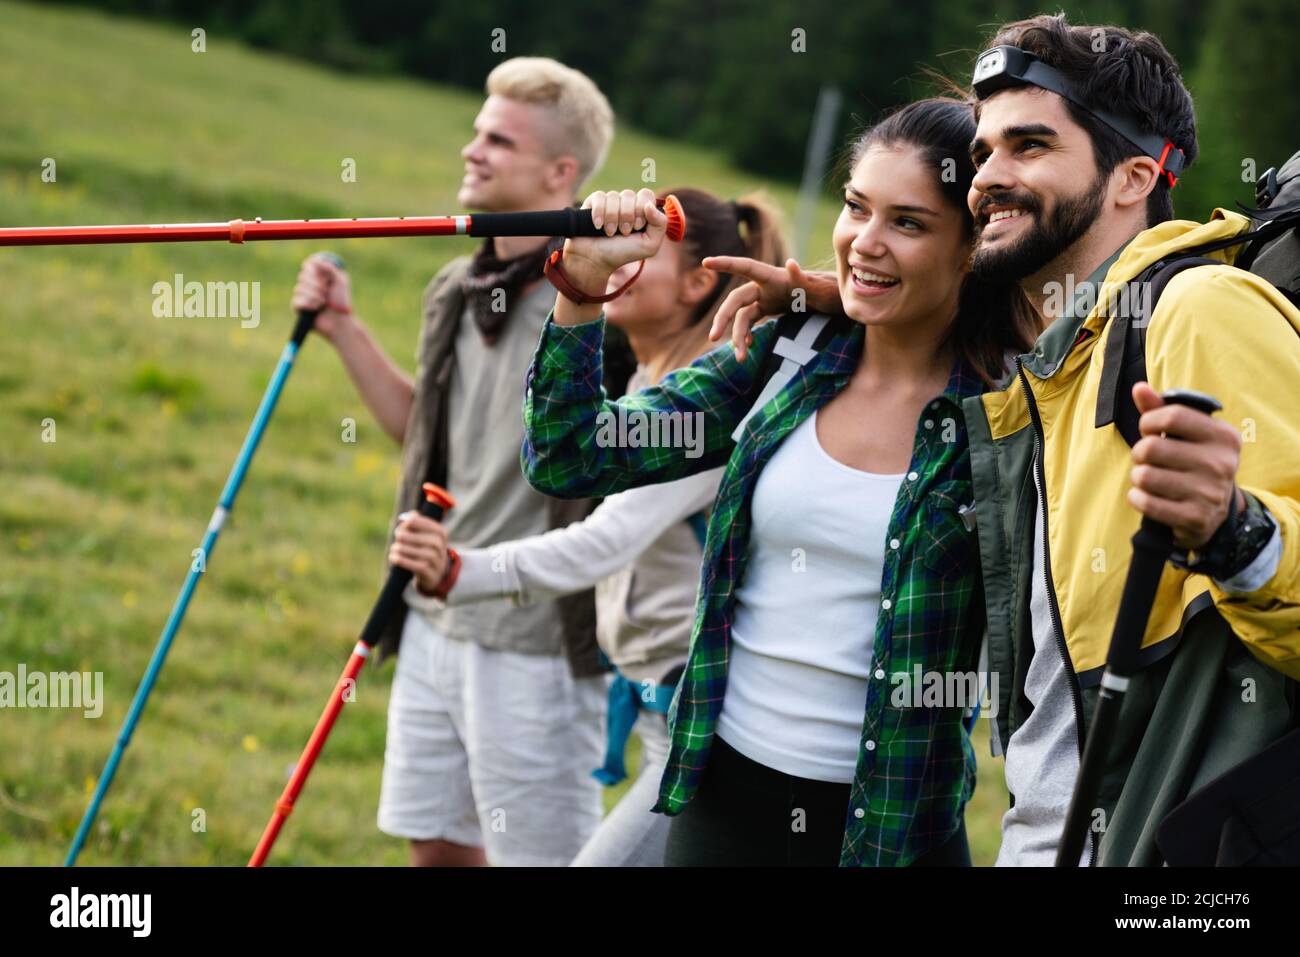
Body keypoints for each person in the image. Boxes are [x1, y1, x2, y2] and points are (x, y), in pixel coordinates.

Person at [721, 15, 1300, 867]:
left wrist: (1235, 530)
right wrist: (833, 291)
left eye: (1029, 146)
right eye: (984, 152)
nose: (987, 177)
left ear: (1135, 175)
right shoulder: (1058, 352)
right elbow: (940, 290)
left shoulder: (1195, 308)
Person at [520, 98, 1039, 866]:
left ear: (973, 246)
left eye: (909, 223)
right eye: (857, 208)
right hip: (719, 809)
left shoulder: (1012, 411)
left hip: (895, 829)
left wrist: (836, 290)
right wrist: (584, 285)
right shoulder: (789, 355)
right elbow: (572, 454)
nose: (865, 242)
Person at [388, 187, 787, 866]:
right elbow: (561, 450)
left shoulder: (704, 411)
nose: (619, 263)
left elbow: (602, 542)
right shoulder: (645, 382)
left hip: (704, 731)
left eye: (644, 252)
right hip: (661, 715)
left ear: (700, 283)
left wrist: (461, 571)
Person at [290, 57, 618, 867]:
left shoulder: (596, 307)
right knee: (436, 846)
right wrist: (343, 329)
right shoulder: (454, 286)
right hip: (435, 613)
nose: (472, 150)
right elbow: (425, 433)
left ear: (559, 172)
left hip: (534, 636)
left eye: (498, 140)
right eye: (476, 131)